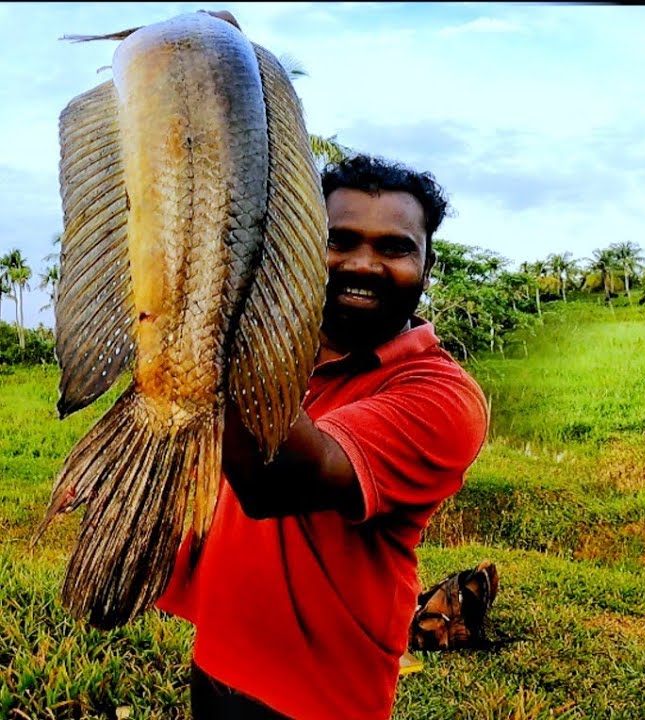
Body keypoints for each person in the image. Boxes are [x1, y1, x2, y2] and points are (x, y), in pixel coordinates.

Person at [155, 154, 490, 720]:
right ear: (306, 248)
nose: (363, 264)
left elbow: (275, 480)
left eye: (395, 248)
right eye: (339, 240)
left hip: (322, 696)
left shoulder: (442, 397)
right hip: (216, 658)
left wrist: (218, 291)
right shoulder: (286, 354)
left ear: (427, 269)